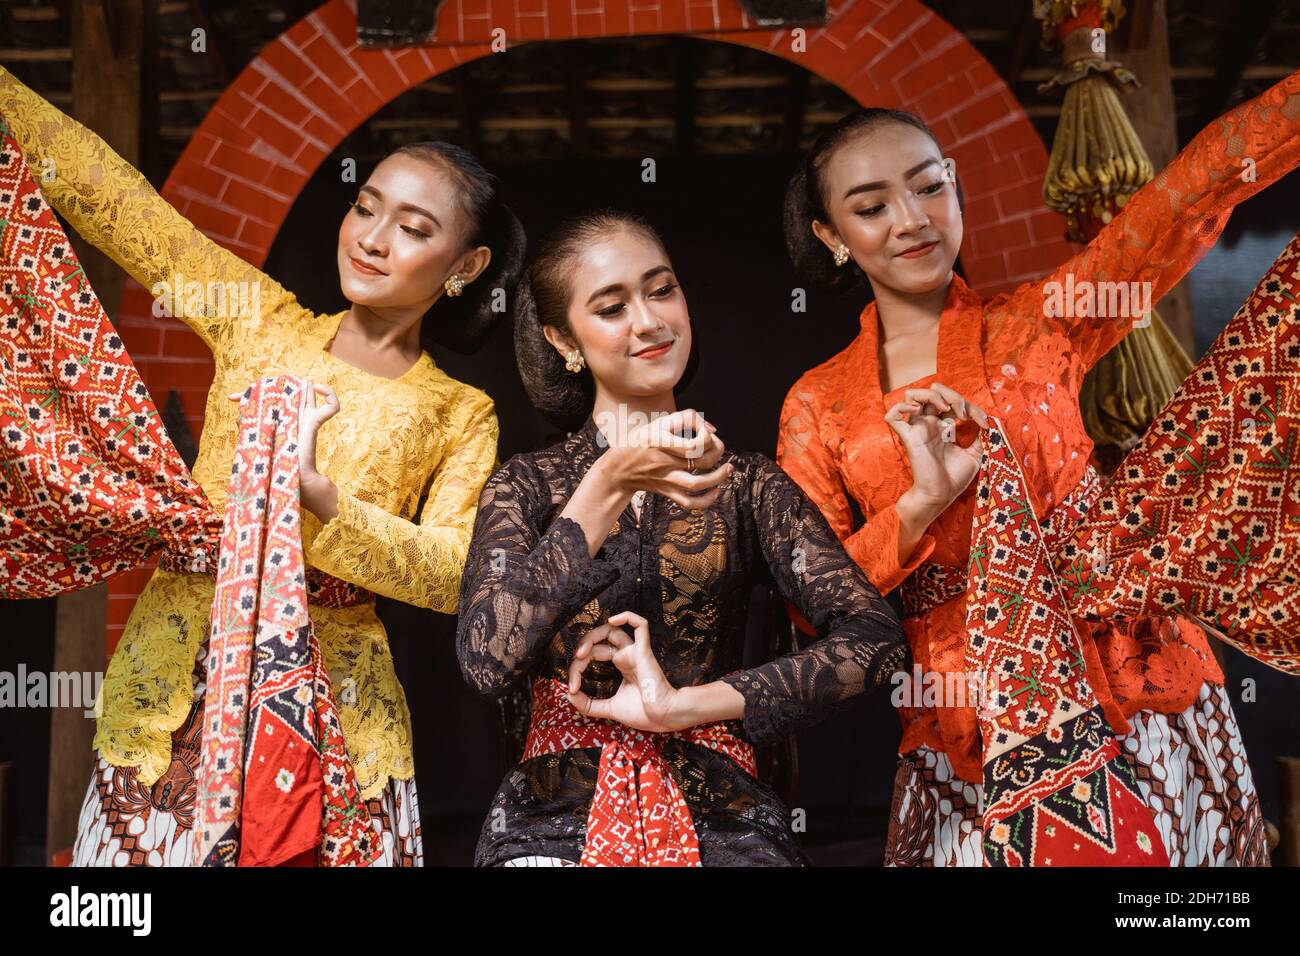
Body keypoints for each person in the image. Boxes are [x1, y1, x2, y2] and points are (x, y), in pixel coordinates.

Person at [0, 65, 524, 866]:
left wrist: (323, 501)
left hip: (337, 717)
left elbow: (456, 575)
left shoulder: (459, 411)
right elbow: (121, 204)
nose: (374, 239)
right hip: (173, 690)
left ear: (466, 266)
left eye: (415, 229)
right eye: (365, 208)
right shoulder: (260, 322)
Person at [776, 70, 1300, 865]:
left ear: (956, 188)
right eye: (872, 206)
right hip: (964, 719)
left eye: (929, 187)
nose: (911, 220)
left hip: (1130, 668)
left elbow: (1186, 199)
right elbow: (810, 606)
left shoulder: (1039, 319)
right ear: (830, 236)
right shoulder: (818, 403)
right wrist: (919, 506)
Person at [455, 210, 908, 866]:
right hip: (548, 816)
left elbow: (876, 643)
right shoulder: (527, 485)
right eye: (612, 307)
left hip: (727, 810)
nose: (649, 320)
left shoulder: (747, 484)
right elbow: (484, 659)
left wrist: (683, 707)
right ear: (562, 340)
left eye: (661, 290)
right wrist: (607, 481)